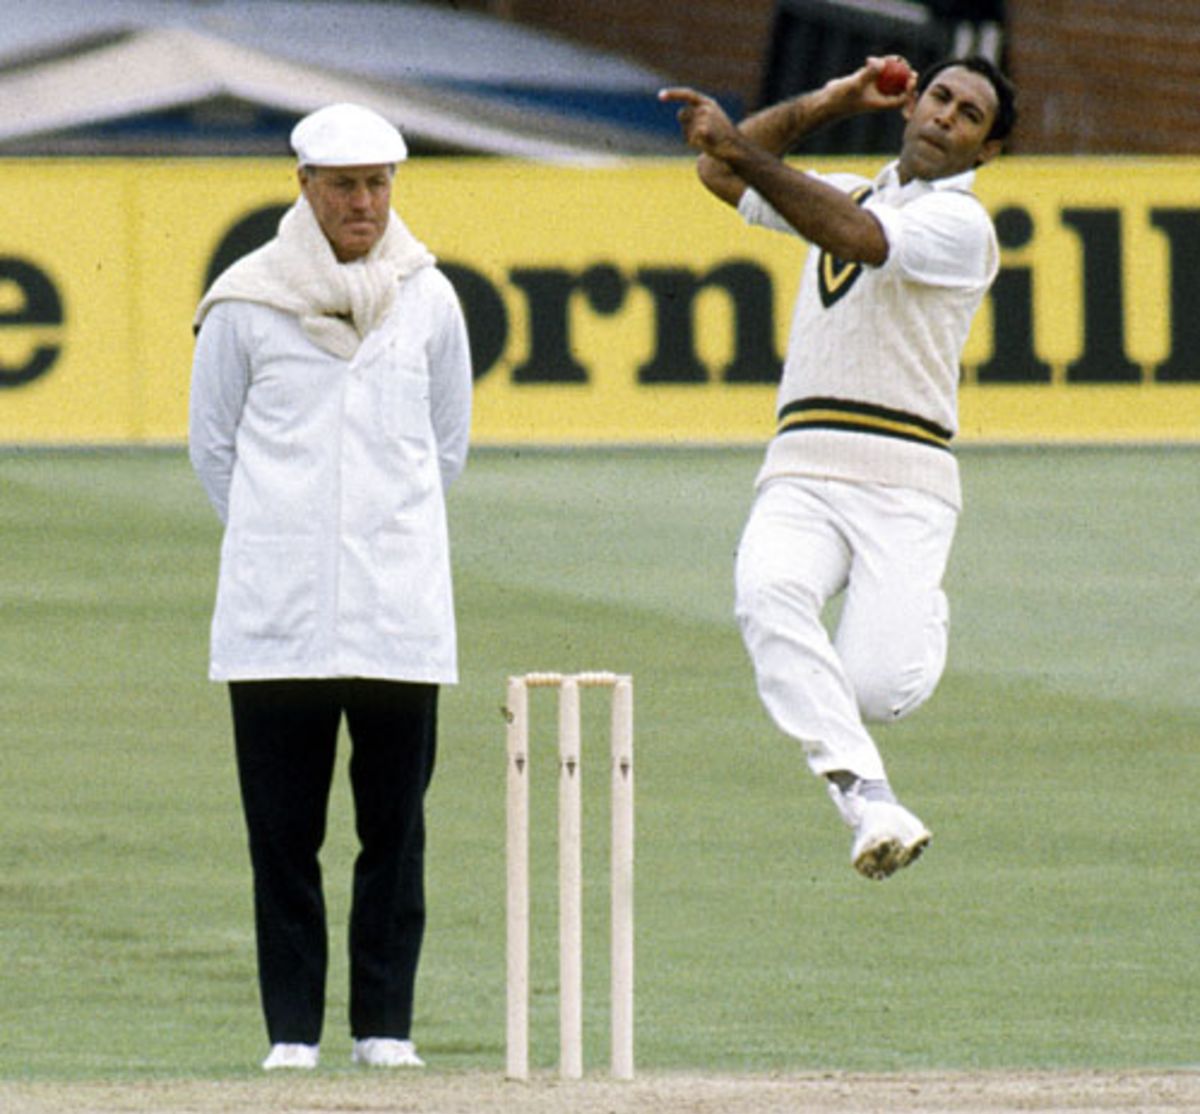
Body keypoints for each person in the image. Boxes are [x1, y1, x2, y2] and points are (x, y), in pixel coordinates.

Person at [659, 56, 1015, 880]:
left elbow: (857, 238)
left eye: (968, 115)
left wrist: (739, 146)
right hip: (801, 464)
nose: (945, 117)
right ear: (911, 105)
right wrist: (836, 99)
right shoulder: (849, 190)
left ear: (988, 150)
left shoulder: (962, 225)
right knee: (766, 595)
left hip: (904, 480)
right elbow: (720, 170)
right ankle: (867, 798)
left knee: (871, 693)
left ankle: (920, 614)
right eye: (939, 98)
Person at [189, 102, 472, 1068]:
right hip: (278, 617)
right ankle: (292, 1035)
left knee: (396, 831)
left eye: (378, 184)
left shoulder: (430, 298)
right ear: (304, 186)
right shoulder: (244, 302)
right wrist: (285, 539)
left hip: (399, 611)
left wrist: (380, 537)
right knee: (283, 836)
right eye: (345, 186)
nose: (364, 203)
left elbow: (446, 447)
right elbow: (214, 451)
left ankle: (385, 1028)